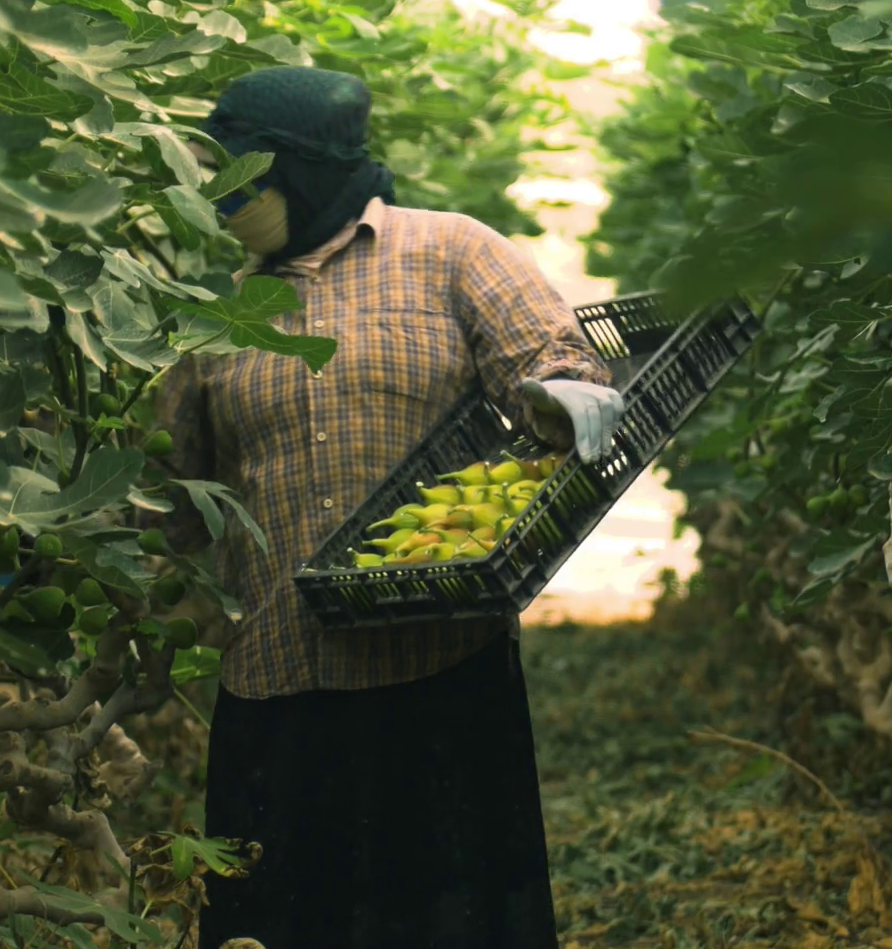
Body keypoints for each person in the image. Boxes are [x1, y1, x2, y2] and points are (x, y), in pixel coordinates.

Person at [153, 65, 626, 949]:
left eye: (246, 179)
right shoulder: (214, 314)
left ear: (302, 166)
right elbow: (170, 500)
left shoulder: (453, 250)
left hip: (439, 669)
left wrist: (565, 399)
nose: (231, 203)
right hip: (277, 683)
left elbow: (556, 362)